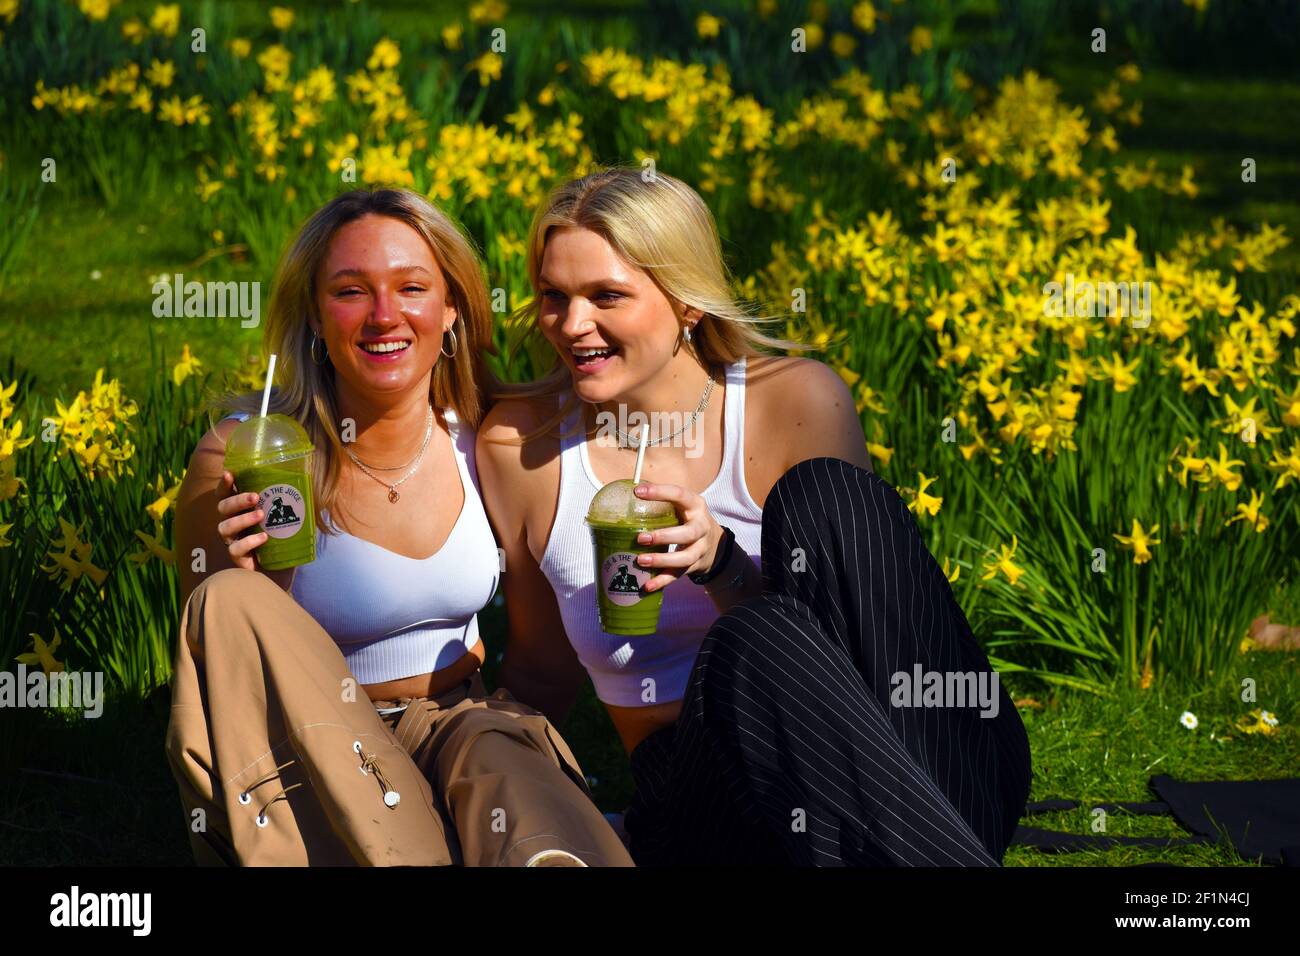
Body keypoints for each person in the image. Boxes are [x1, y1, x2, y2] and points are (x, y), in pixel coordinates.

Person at [477, 167, 1033, 866]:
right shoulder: (525, 448)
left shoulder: (796, 401)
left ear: (687, 302)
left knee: (825, 499)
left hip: (928, 764)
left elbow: (871, 632)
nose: (572, 324)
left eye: (605, 296)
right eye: (553, 296)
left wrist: (724, 568)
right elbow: (539, 668)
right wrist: (480, 786)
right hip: (714, 802)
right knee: (755, 634)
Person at [165, 187, 632, 867]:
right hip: (317, 738)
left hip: (459, 723)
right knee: (227, 601)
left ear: (451, 312)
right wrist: (251, 576)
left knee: (509, 767)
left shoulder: (486, 438)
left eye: (411, 287)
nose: (385, 316)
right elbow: (215, 665)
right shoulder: (245, 456)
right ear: (316, 317)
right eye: (351, 291)